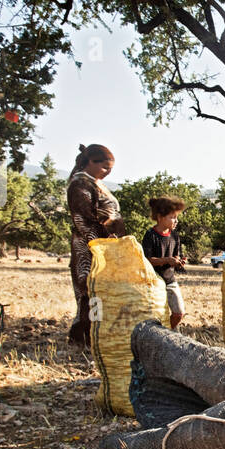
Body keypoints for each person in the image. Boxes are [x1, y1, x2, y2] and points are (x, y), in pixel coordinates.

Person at [67, 143, 125, 347]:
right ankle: (85, 338)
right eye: (104, 168)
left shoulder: (95, 182)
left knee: (99, 292)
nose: (108, 172)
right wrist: (102, 244)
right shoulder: (80, 184)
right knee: (89, 291)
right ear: (90, 162)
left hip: (104, 247)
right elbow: (83, 220)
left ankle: (94, 336)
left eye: (111, 169)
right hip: (90, 248)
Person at [142, 196, 187, 329]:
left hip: (169, 280)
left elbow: (177, 254)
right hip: (153, 282)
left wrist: (179, 261)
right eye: (172, 217)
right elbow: (148, 260)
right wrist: (167, 260)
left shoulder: (174, 236)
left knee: (179, 313)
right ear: (160, 217)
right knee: (155, 316)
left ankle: (169, 332)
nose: (176, 220)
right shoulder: (150, 235)